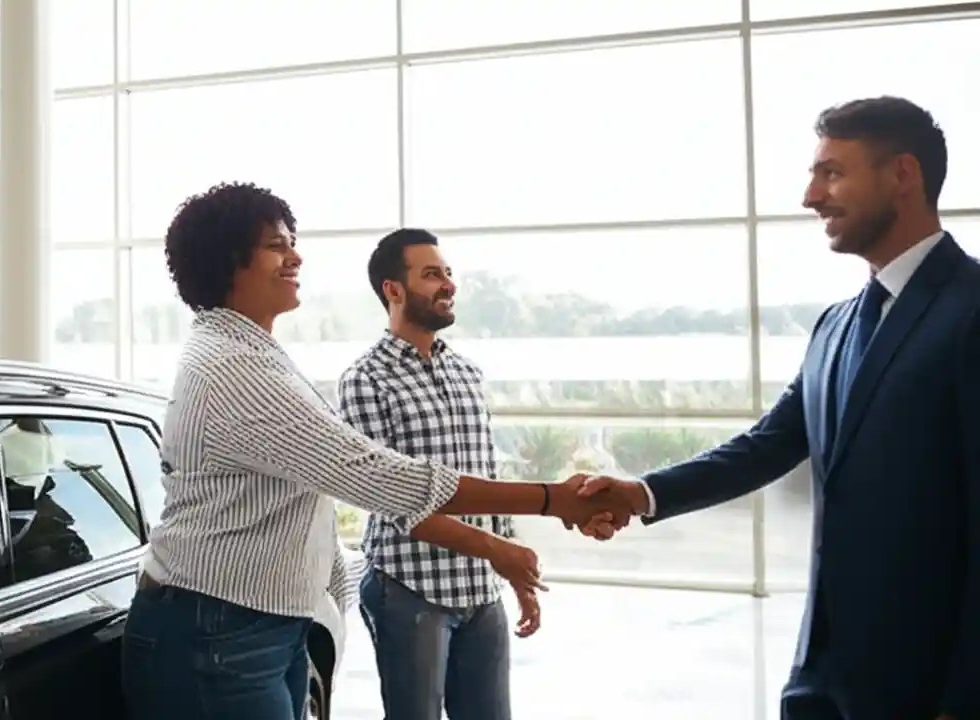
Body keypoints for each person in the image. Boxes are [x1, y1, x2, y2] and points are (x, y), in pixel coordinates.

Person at [119, 182, 626, 720]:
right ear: (228, 259)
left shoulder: (254, 351)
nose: (296, 256)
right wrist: (553, 499)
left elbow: (308, 492)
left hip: (257, 627)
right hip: (221, 633)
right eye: (276, 245)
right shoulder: (236, 368)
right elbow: (375, 477)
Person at [580, 97, 978, 720]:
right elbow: (770, 444)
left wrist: (964, 698)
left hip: (926, 689)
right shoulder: (836, 324)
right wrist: (640, 493)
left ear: (903, 175)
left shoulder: (972, 311)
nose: (810, 196)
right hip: (820, 677)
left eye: (832, 173)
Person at [339, 228, 539, 720]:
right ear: (393, 289)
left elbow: (486, 476)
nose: (448, 284)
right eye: (431, 275)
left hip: (480, 588)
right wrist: (500, 550)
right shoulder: (365, 380)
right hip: (409, 590)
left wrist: (514, 573)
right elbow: (392, 502)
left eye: (448, 273)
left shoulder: (468, 374)